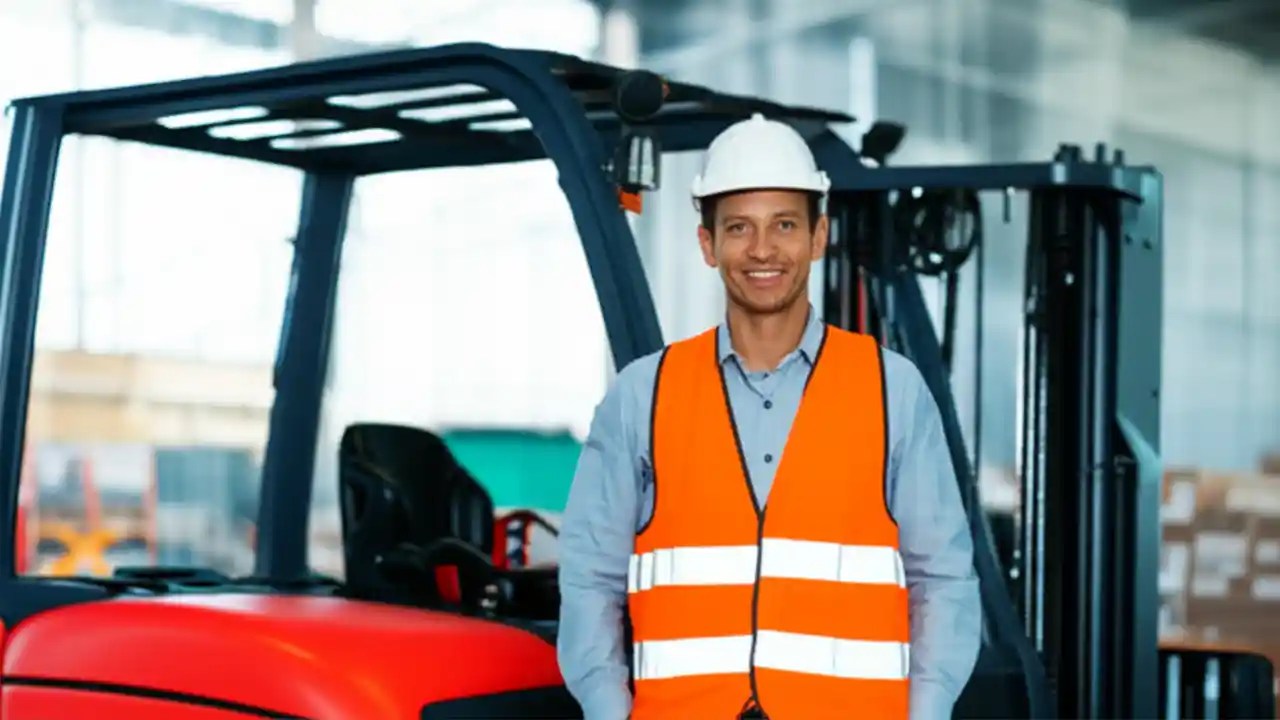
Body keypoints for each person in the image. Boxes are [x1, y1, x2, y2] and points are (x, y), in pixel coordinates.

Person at [556, 113, 980, 720]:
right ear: (708, 244)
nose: (762, 249)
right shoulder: (641, 396)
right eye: (738, 227)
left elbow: (943, 580)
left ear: (818, 235)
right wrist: (607, 710)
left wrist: (927, 711)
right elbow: (589, 578)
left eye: (784, 224)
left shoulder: (894, 390)